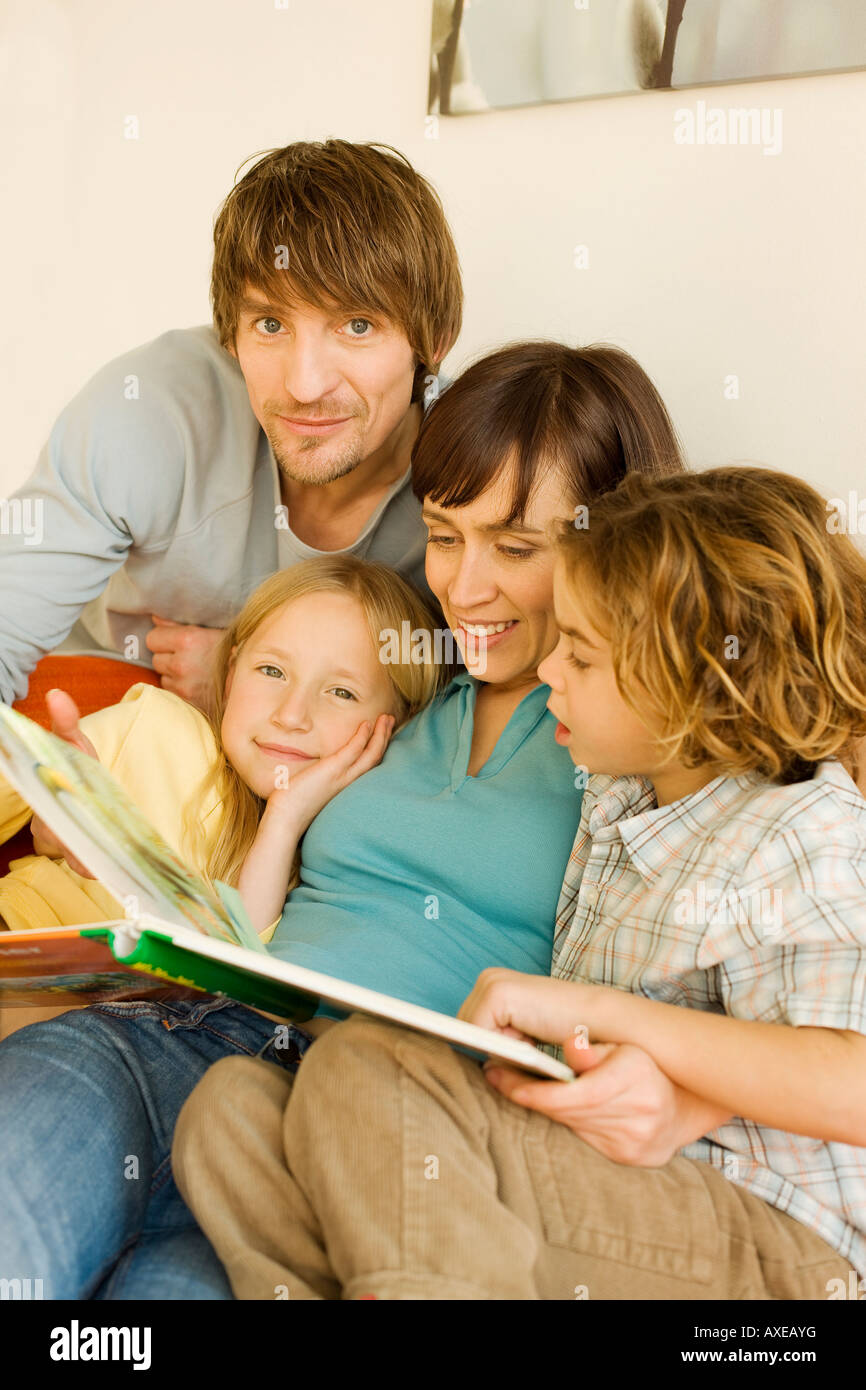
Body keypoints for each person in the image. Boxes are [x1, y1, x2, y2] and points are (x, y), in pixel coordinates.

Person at [0, 339, 684, 1300]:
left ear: (617, 545)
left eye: (516, 548)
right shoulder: (400, 692)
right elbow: (253, 749)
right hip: (189, 1037)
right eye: (443, 535)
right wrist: (101, 827)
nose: (465, 589)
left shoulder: (635, 752)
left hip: (372, 1137)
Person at [172, 465, 866, 1301]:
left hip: (778, 1247)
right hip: (598, 1176)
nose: (550, 672)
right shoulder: (618, 798)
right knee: (230, 1109)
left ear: (692, 686)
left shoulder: (798, 829)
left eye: (580, 654)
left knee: (371, 1066)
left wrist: (598, 1014)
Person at [0, 140, 462, 710]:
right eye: (270, 324)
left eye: (358, 326)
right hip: (97, 703)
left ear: (434, 341)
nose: (305, 386)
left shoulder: (481, 470)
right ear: (230, 338)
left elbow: (505, 689)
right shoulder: (152, 406)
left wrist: (244, 671)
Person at [0, 556, 446, 933]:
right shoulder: (156, 727)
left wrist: (283, 820)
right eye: (272, 671)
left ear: (399, 725)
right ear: (232, 675)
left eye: (341, 692)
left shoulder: (343, 857)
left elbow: (235, 969)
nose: (291, 715)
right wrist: (47, 797)